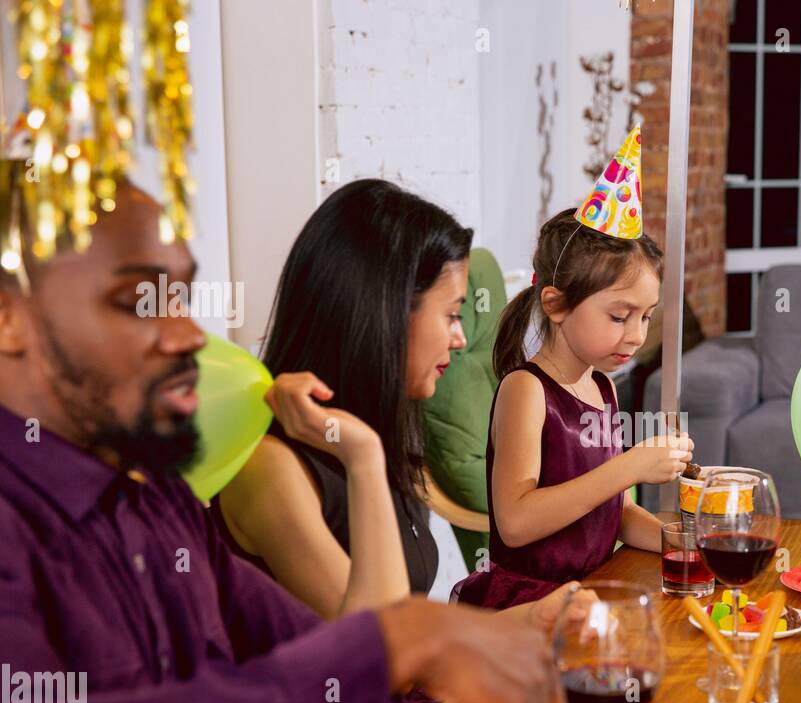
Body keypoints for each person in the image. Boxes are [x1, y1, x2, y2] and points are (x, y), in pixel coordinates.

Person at [0, 175, 562, 703]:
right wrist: (399, 640)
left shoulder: (153, 497)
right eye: (137, 300)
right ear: (2, 317)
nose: (187, 338)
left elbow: (327, 678)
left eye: (181, 296)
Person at [211, 179, 580, 631]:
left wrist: (533, 617)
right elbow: (378, 647)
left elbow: (411, 625)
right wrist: (363, 458)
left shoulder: (384, 427)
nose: (460, 337)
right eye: (449, 314)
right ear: (385, 316)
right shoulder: (270, 467)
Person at [454, 129, 693, 610]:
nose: (637, 335)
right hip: (533, 607)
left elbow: (617, 514)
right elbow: (515, 522)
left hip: (595, 592)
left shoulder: (603, 386)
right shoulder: (526, 389)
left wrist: (683, 541)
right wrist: (629, 466)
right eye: (619, 316)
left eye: (645, 317)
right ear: (556, 304)